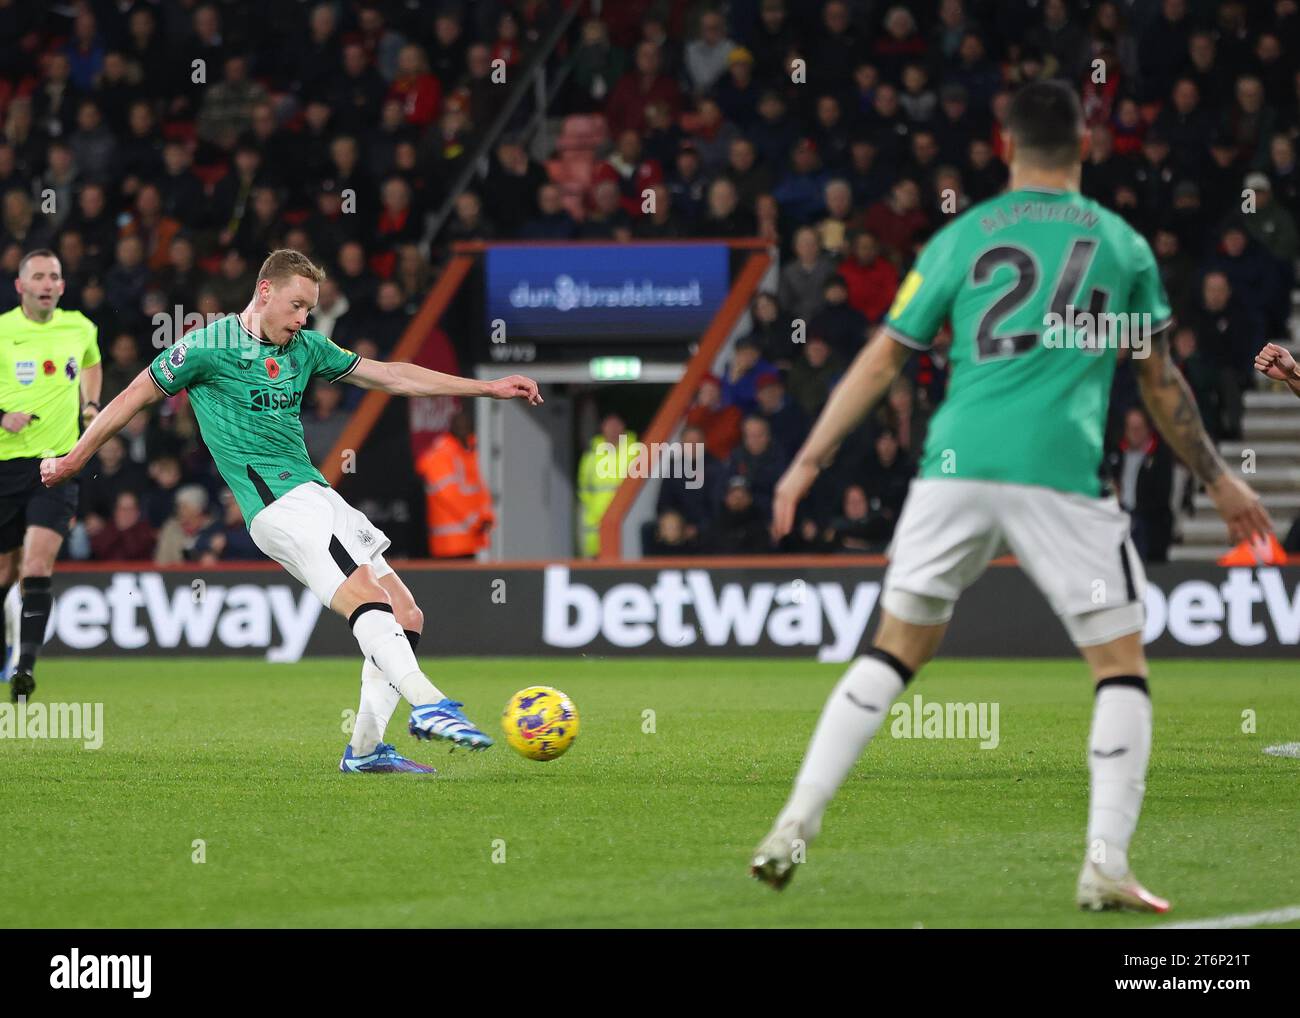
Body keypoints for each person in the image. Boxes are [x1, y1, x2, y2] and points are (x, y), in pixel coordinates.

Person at [751, 82, 1270, 913]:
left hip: (953, 469)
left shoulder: (960, 238)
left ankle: (792, 824)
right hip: (1059, 473)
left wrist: (805, 463)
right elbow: (1159, 380)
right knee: (1120, 669)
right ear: (1086, 145)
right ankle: (1104, 862)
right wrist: (1218, 476)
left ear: (1003, 144)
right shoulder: (1123, 244)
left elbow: (886, 358)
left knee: (892, 652)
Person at [42, 250, 542, 774]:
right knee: (366, 600)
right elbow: (130, 398)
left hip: (316, 493)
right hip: (277, 505)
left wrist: (486, 388)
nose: (304, 319)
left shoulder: (305, 347)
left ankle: (366, 751)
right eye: (298, 306)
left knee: (408, 614)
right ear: (264, 292)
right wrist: (76, 457)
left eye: (310, 309)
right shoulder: (205, 348)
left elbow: (392, 375)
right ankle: (429, 703)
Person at [0, 250, 102, 701]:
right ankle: (7, 652)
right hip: (5, 466)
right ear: (21, 286)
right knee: (5, 569)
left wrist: (91, 404)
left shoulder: (80, 326)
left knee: (36, 566)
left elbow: (93, 362)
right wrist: (1, 416)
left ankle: (24, 667)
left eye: (54, 276)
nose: (47, 282)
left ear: (62, 286)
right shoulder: (3, 330)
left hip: (55, 464)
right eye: (38, 276)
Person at [416, 409, 494, 559]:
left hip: (470, 539)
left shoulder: (468, 453)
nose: (464, 430)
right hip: (449, 543)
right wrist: (477, 520)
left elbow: (479, 490)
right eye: (459, 426)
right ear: (451, 428)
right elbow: (450, 495)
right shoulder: (441, 454)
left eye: (467, 426)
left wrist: (487, 517)